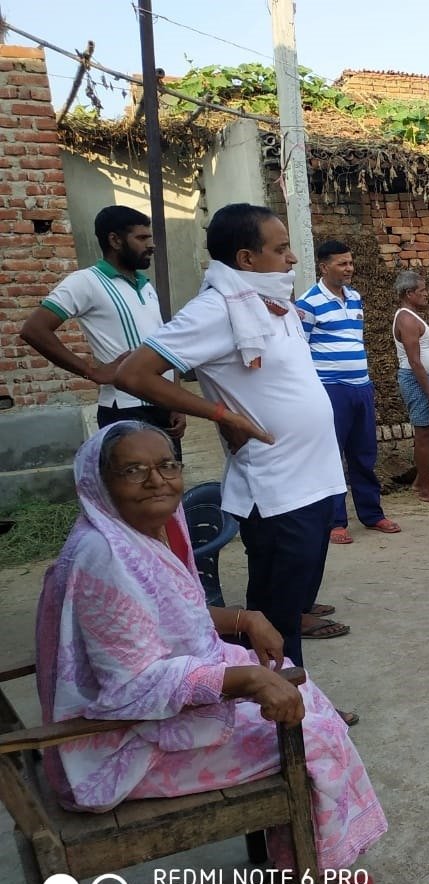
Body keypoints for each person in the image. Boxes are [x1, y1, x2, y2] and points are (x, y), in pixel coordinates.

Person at [36, 422, 386, 884]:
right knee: (311, 737)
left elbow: (176, 615)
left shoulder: (135, 535)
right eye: (133, 470)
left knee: (303, 696)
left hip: (146, 720)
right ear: (98, 481)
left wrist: (245, 619)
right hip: (116, 749)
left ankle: (300, 863)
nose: (157, 481)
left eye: (167, 465)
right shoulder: (103, 558)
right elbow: (129, 687)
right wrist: (244, 681)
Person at [114, 204, 353, 724]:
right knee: (275, 614)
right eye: (280, 248)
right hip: (277, 488)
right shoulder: (218, 309)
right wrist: (220, 413)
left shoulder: (265, 302)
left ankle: (295, 701)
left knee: (289, 609)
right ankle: (293, 715)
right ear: (246, 257)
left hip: (312, 483)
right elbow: (135, 373)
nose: (292, 258)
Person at [21, 205, 185, 455]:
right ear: (115, 240)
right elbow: (34, 329)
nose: (151, 245)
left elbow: (163, 345)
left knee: (169, 486)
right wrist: (92, 372)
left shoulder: (145, 285)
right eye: (142, 238)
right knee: (134, 489)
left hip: (163, 404)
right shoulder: (86, 281)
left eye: (149, 237)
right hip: (126, 409)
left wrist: (176, 401)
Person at [297, 240, 400, 544]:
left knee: (365, 454)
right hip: (330, 389)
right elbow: (300, 350)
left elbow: (355, 342)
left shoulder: (355, 298)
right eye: (342, 264)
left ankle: (372, 514)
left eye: (351, 263)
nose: (349, 269)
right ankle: (335, 522)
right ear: (324, 266)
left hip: (361, 388)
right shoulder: (307, 304)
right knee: (330, 456)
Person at [392, 269, 429, 504]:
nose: (427, 294)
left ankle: (421, 478)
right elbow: (415, 361)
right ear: (409, 293)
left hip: (427, 380)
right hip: (418, 381)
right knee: (425, 433)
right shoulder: (406, 319)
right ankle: (424, 489)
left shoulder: (412, 316)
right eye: (422, 290)